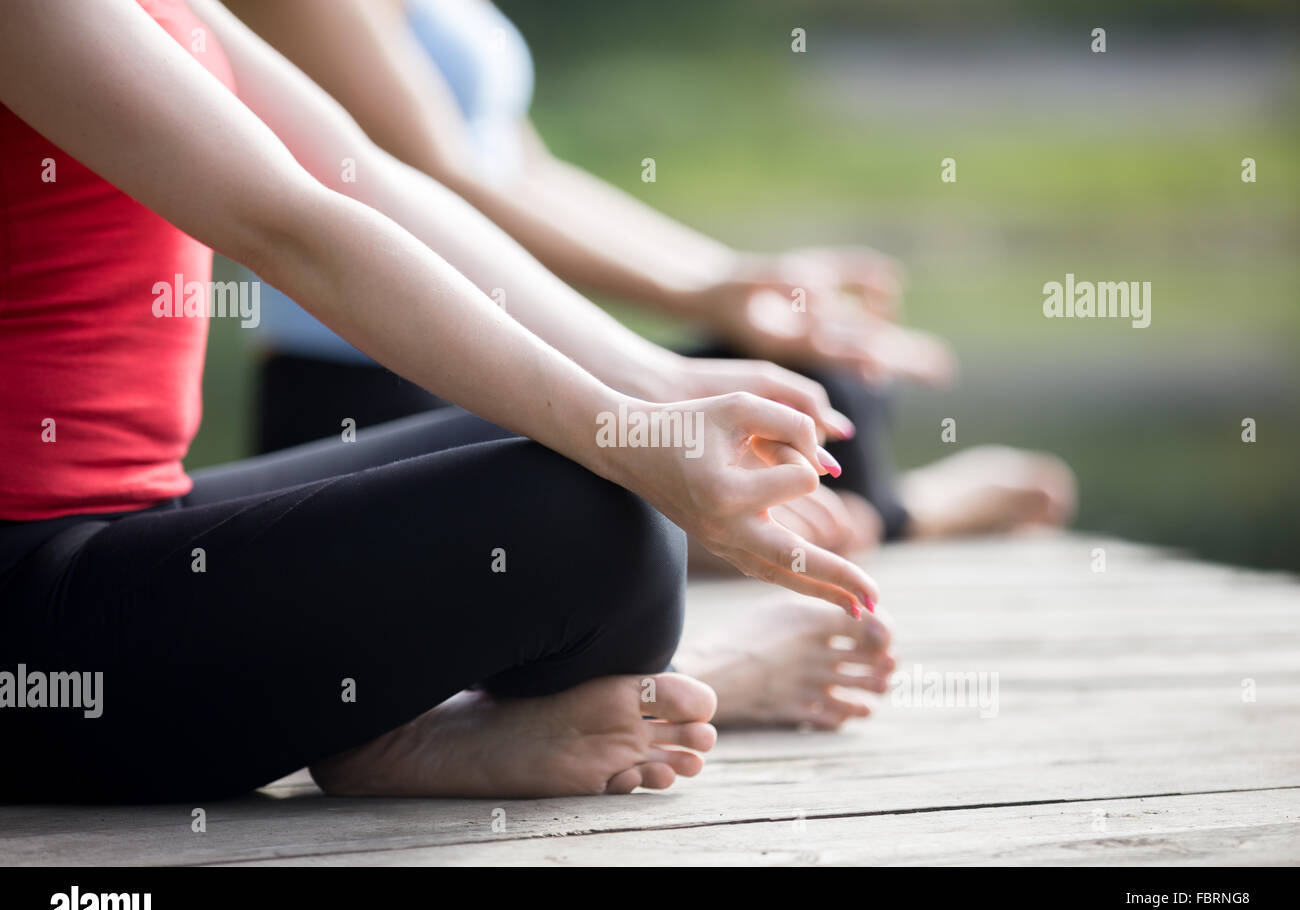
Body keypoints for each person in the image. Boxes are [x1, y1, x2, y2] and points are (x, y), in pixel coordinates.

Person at [0, 0, 889, 802]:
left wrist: (650, 383)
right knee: (589, 521)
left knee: (603, 483)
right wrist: (631, 430)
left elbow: (359, 178)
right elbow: (285, 224)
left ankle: (387, 733)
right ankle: (701, 676)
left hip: (126, 522)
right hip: (26, 611)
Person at [225, 0, 1077, 547]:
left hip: (516, 359)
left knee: (816, 387)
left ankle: (837, 518)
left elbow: (530, 174)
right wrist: (695, 303)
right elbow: (440, 180)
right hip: (374, 386)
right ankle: (900, 516)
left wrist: (738, 283)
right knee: (606, 517)